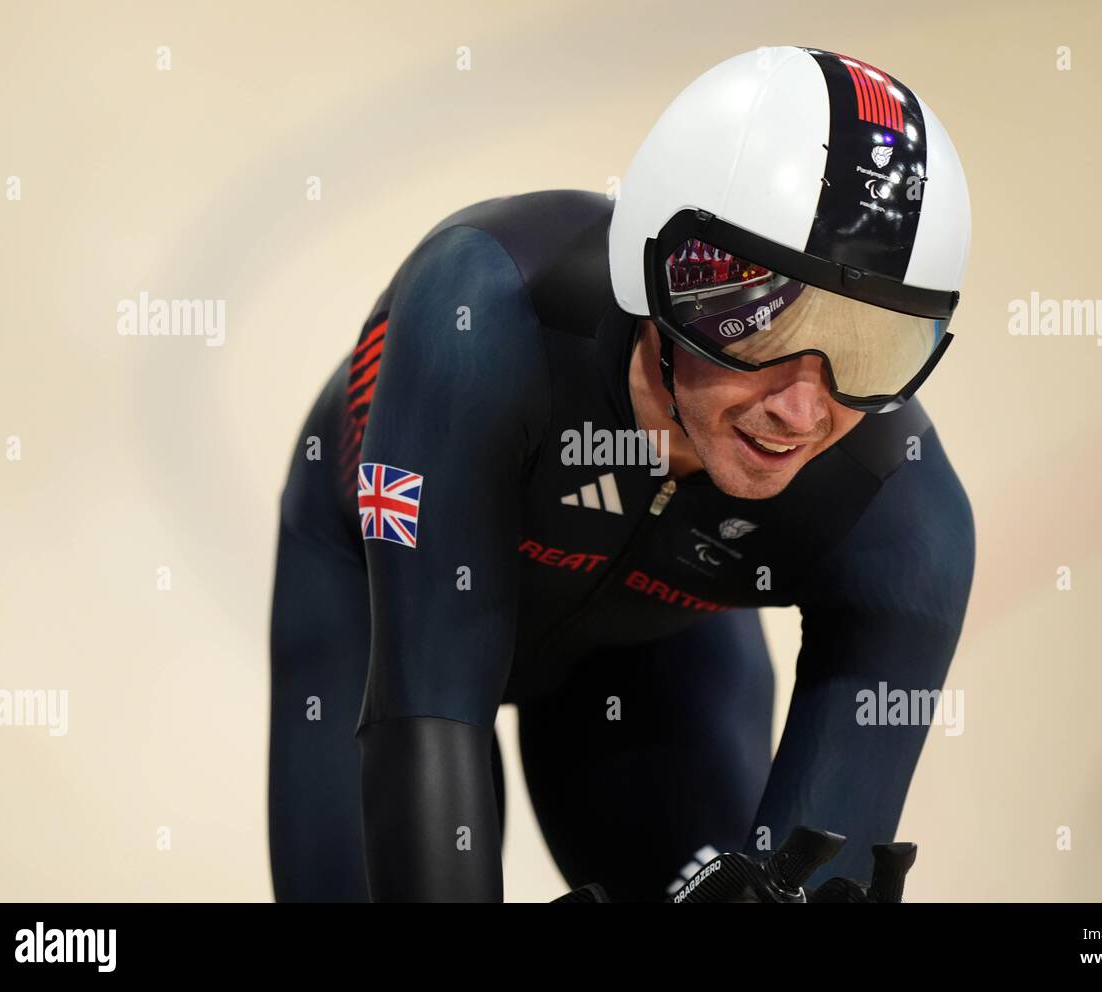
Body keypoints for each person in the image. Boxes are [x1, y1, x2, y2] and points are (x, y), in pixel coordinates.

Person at [268, 45, 975, 902]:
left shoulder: (907, 526)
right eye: (760, 327)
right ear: (659, 272)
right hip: (381, 609)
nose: (801, 411)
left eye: (877, 349)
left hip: (649, 656)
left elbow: (817, 870)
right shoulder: (482, 315)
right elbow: (426, 715)